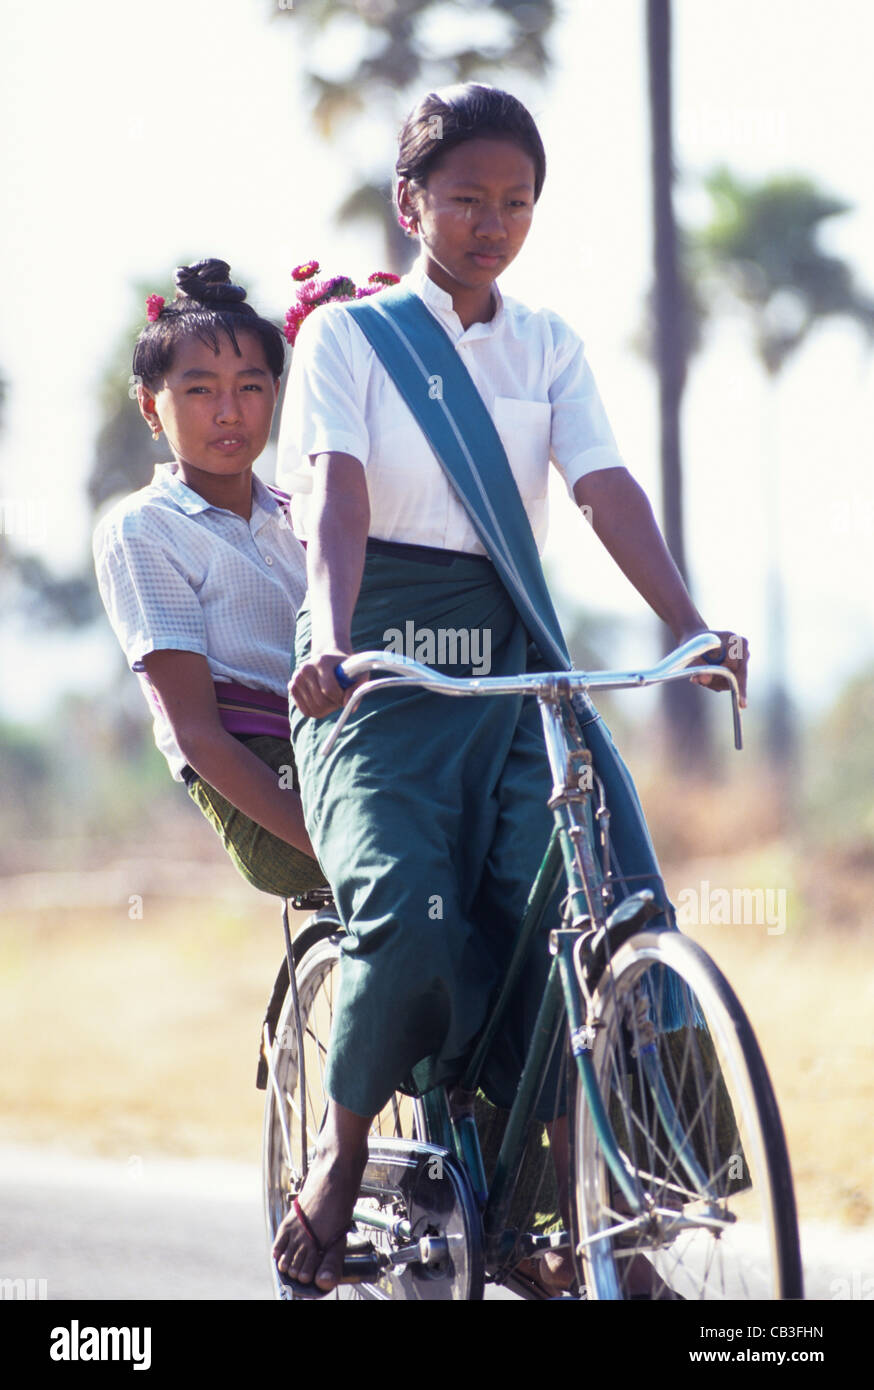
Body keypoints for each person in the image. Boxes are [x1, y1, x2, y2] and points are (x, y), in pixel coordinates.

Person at [273, 83, 749, 1297]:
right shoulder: (350, 339)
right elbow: (335, 494)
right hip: (377, 668)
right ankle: (336, 1158)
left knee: (610, 910)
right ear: (410, 203)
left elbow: (603, 490)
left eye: (517, 203)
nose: (492, 223)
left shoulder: (547, 345)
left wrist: (689, 627)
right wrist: (330, 635)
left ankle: (607, 1214)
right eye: (467, 199)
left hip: (512, 663)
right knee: (414, 922)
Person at [94, 259, 325, 899]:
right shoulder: (144, 529)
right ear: (150, 405)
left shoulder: (302, 516)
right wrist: (333, 842)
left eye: (250, 387)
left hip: (345, 747)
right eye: (199, 390)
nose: (229, 412)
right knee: (417, 885)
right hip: (263, 777)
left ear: (277, 395)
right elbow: (198, 733)